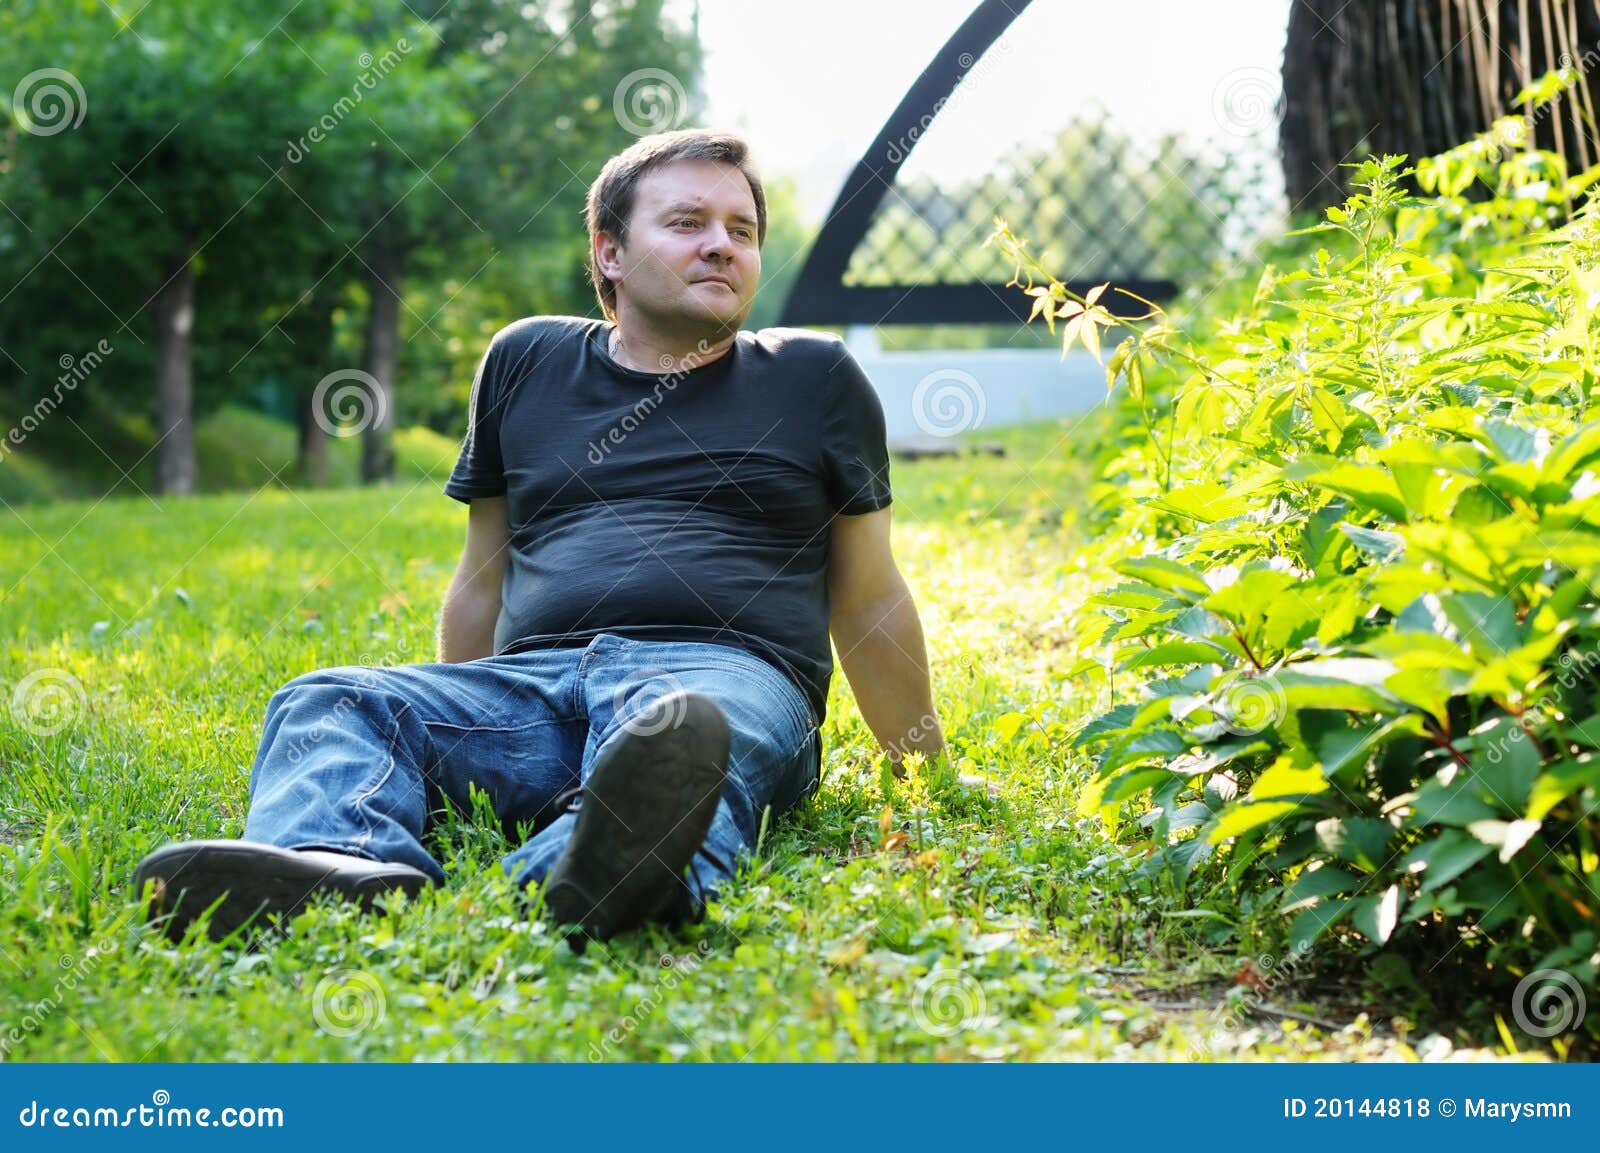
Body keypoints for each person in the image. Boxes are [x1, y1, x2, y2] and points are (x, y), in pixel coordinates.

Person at [134, 128, 944, 946]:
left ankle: (591, 868)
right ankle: (332, 865)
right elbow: (480, 577)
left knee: (684, 731)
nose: (721, 246)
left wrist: (924, 771)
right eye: (688, 222)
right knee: (329, 698)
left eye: (742, 231)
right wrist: (461, 720)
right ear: (611, 252)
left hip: (721, 682)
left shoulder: (814, 377)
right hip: (537, 688)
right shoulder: (528, 361)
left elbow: (869, 596)